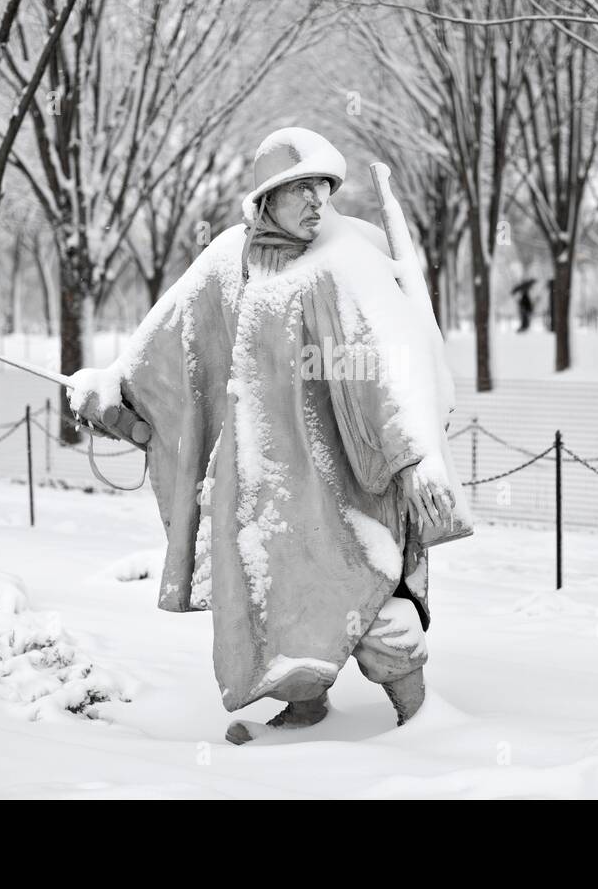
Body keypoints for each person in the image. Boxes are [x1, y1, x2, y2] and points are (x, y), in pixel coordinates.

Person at [66, 127, 470, 744]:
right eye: (299, 189)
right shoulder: (231, 262)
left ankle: (421, 721)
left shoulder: (344, 259)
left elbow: (389, 363)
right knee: (268, 600)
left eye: (322, 189)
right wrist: (113, 386)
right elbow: (169, 345)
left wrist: (411, 457)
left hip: (341, 483)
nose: (315, 202)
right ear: (265, 199)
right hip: (258, 490)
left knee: (367, 587)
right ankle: (306, 712)